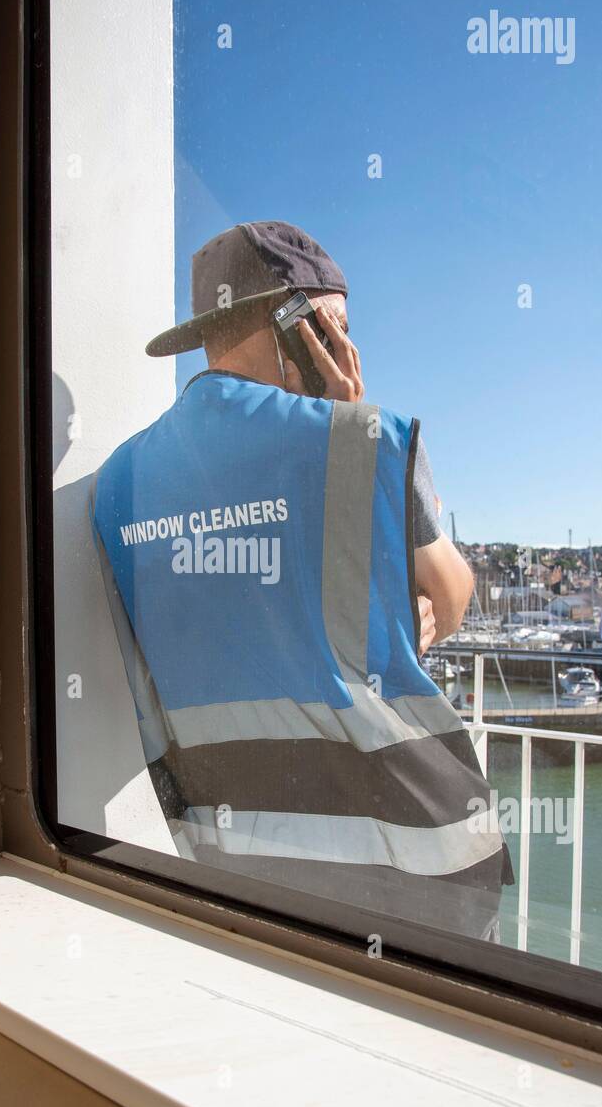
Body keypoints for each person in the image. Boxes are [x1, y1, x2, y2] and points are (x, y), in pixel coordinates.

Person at [89, 221, 514, 940]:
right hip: (414, 865)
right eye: (338, 325)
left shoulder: (117, 482)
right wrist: (340, 421)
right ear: (300, 322)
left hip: (234, 863)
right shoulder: (360, 442)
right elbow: (451, 598)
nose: (351, 348)